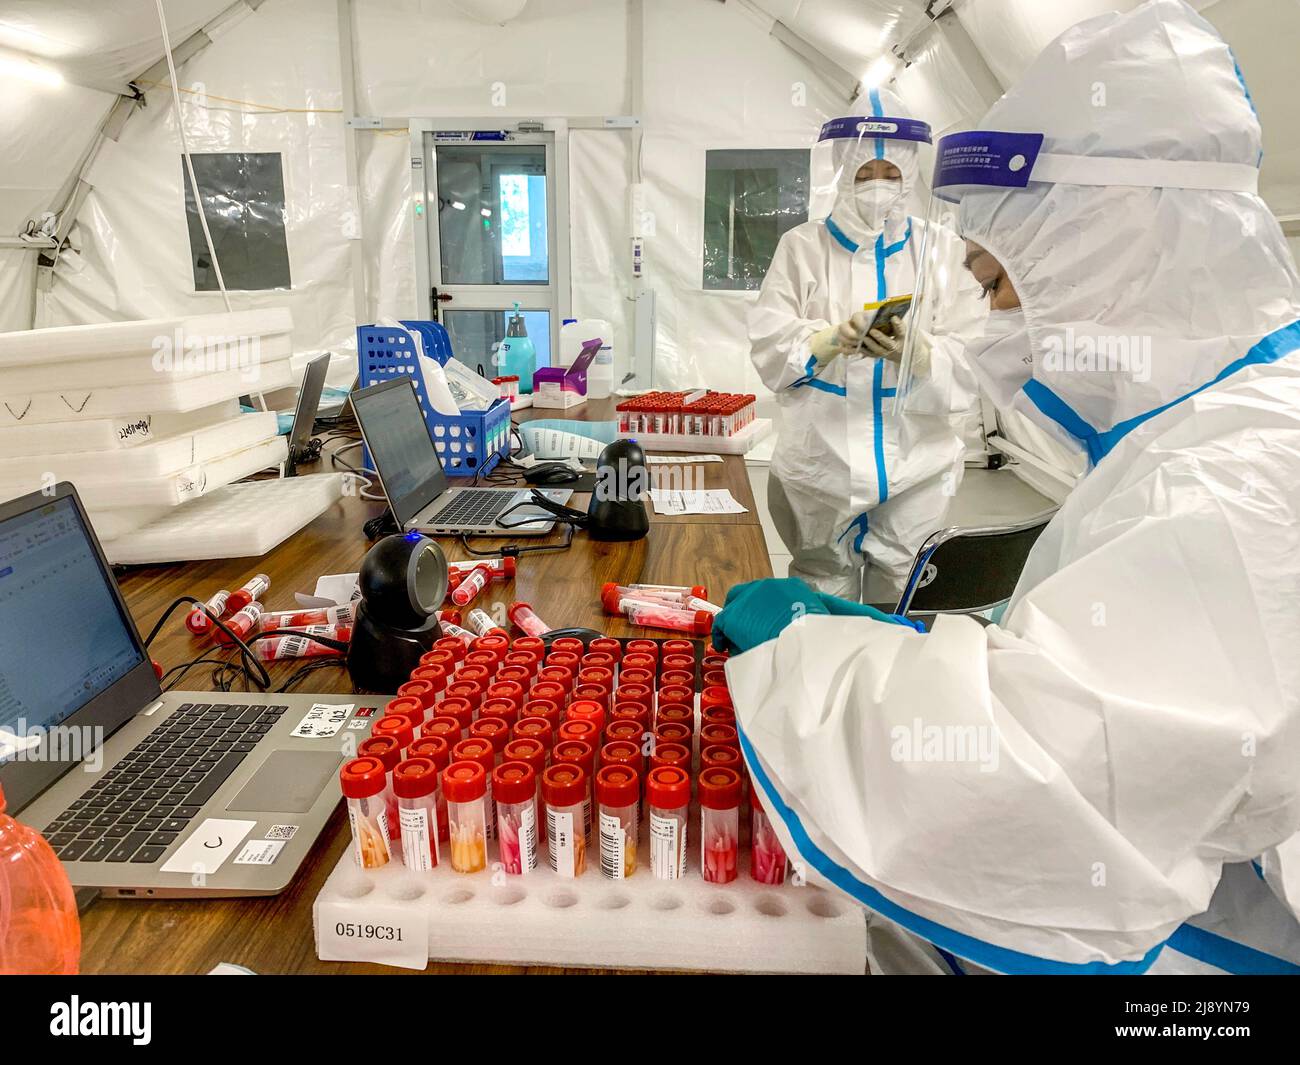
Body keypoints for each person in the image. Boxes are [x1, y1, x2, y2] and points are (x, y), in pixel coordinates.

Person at [716, 0, 1300, 975]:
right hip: (824, 453)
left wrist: (806, 672)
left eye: (997, 285)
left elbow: (1037, 778)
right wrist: (886, 648)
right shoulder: (1212, 425)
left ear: (1110, 244)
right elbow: (1107, 692)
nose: (993, 321)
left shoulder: (1243, 479)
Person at [749, 87, 982, 601]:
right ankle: (825, 673)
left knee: (903, 583)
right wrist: (827, 340)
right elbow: (768, 340)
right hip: (821, 456)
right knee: (820, 579)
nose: (878, 186)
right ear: (841, 171)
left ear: (910, 173)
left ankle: (886, 673)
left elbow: (976, 350)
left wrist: (919, 353)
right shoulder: (803, 246)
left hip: (918, 457)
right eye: (864, 174)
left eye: (891, 174)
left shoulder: (941, 251)